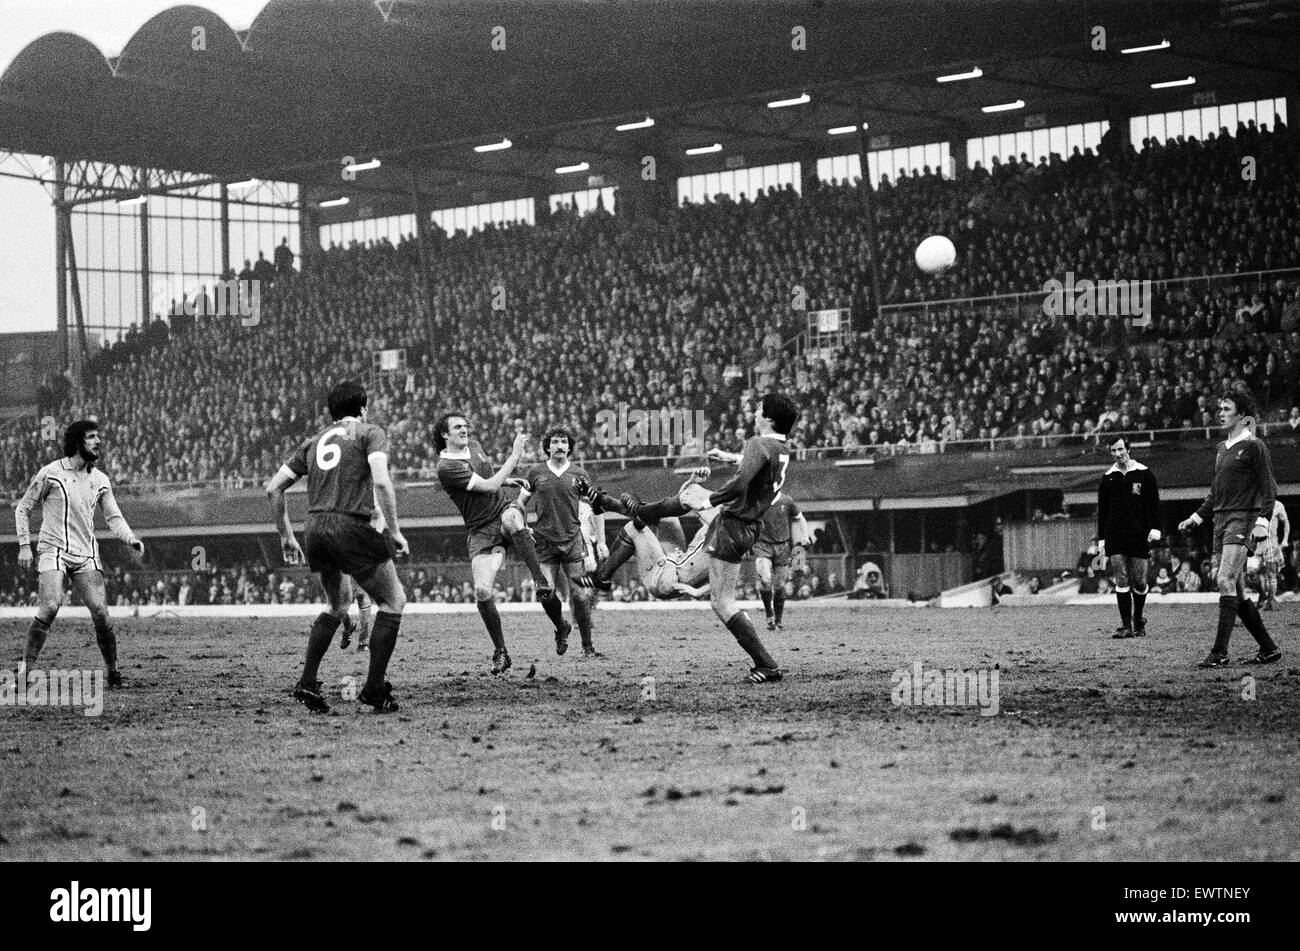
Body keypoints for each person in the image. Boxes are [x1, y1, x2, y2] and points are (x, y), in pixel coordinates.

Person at [266, 380, 409, 713]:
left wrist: (286, 536)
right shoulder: (370, 432)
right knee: (393, 600)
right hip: (349, 525)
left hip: (314, 528)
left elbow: (273, 489)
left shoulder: (313, 442)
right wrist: (396, 529)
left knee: (338, 604)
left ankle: (307, 682)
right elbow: (381, 480)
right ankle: (374, 689)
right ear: (363, 407)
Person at [13, 419, 143, 688]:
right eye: (92, 437)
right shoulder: (50, 473)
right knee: (50, 606)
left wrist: (130, 538)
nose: (98, 441)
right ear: (77, 442)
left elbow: (113, 517)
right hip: (53, 549)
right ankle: (24, 672)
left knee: (101, 613)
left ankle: (114, 673)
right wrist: (25, 545)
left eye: (98, 436)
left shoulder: (100, 480)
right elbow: (22, 508)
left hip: (86, 553)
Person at [679, 393, 797, 684]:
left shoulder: (757, 443)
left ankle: (766, 664)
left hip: (733, 524)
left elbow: (741, 481)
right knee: (722, 599)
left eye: (758, 409)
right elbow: (757, 466)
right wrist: (733, 457)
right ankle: (765, 662)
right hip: (751, 526)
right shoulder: (781, 446)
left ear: (768, 418)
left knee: (722, 602)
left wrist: (709, 502)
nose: (754, 413)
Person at [433, 413, 559, 675]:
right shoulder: (446, 466)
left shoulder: (475, 446)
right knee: (482, 591)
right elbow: (489, 485)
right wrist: (514, 457)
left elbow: (490, 478)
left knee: (514, 519)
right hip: (481, 531)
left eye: (465, 426)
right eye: (458, 427)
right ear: (445, 434)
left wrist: (509, 481)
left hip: (504, 511)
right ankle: (501, 651)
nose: (464, 430)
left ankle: (540, 581)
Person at [1177, 386, 1282, 667]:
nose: (1220, 414)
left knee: (1224, 579)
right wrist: (1197, 517)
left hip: (1242, 519)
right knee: (1236, 590)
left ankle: (1219, 653)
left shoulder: (1254, 446)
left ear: (1242, 415)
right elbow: (1215, 491)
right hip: (1220, 520)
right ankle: (1269, 649)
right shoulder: (1221, 448)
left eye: (1226, 410)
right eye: (1220, 409)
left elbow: (1269, 487)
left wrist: (1262, 521)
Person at [516, 427, 603, 657]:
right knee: (545, 593)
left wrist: (601, 541)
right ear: (548, 447)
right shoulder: (536, 473)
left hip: (572, 541)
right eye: (554, 441)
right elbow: (520, 504)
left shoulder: (579, 474)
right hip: (545, 543)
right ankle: (561, 627)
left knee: (580, 596)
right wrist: (523, 527)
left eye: (563, 441)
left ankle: (587, 646)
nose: (559, 445)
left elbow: (597, 508)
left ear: (569, 447)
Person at [1097, 435, 1162, 638]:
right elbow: (1102, 512)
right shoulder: (1107, 478)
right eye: (1113, 451)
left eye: (1120, 449)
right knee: (1122, 578)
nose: (1117, 454)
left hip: (1139, 535)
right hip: (1115, 536)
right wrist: (1101, 541)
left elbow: (1155, 504)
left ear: (1129, 449)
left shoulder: (1144, 474)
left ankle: (1138, 618)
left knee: (1140, 581)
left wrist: (1156, 528)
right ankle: (1126, 626)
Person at [753, 492, 810, 632]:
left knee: (779, 585)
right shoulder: (756, 500)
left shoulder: (787, 500)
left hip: (783, 546)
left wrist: (805, 536)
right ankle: (769, 615)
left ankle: (778, 621)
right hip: (762, 545)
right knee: (765, 579)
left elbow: (800, 518)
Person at [1257, 499, 1289, 610]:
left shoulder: (1278, 505)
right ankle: (1262, 595)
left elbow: (1286, 522)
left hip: (1270, 543)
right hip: (1255, 544)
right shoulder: (1253, 502)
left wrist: (1285, 539)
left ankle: (1270, 603)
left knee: (1271, 574)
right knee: (1251, 573)